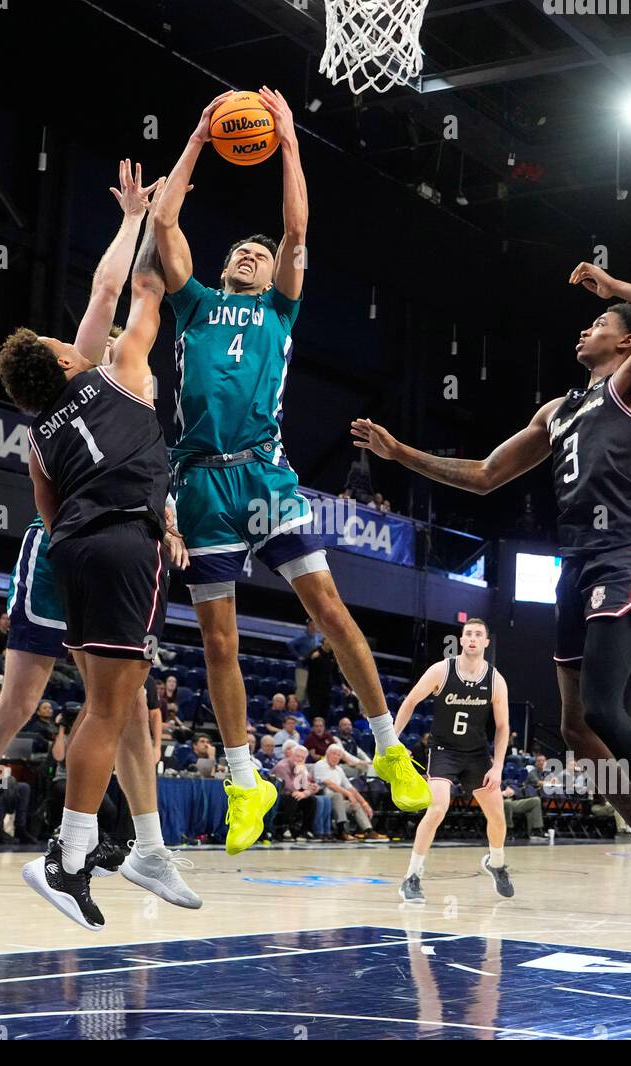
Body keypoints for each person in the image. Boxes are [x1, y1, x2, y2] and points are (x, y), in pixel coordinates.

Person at [353, 260, 631, 944]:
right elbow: (488, 475)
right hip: (576, 563)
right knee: (577, 729)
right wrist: (402, 453)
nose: (588, 326)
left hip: (626, 552)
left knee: (608, 708)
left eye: (600, 321)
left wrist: (620, 290)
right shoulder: (556, 411)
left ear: (625, 341)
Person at [150, 91, 430, 856]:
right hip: (200, 480)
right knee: (217, 640)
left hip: (265, 477)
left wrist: (293, 147)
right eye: (242, 249)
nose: (251, 253)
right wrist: (200, 139)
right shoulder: (195, 303)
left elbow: (298, 227)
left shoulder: (279, 310)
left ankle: (389, 747)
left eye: (262, 252)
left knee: (331, 612)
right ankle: (246, 782)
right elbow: (166, 223)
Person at [0, 164, 199, 925]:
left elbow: (116, 292)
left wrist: (134, 216)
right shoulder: (91, 371)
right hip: (62, 550)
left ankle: (146, 846)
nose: (73, 335)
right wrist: (147, 217)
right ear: (66, 359)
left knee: (126, 699)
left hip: (91, 535)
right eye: (64, 339)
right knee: (20, 702)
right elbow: (118, 293)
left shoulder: (77, 393)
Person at [393, 619, 513, 902]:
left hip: (476, 754)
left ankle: (496, 863)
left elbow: (503, 726)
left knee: (497, 815)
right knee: (437, 808)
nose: (472, 638)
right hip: (444, 750)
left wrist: (497, 766)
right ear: (462, 640)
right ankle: (411, 877)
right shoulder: (441, 670)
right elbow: (410, 701)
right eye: (468, 634)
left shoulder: (495, 680)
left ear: (486, 642)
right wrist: (392, 739)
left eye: (478, 635)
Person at [313, 743, 385, 841]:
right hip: (324, 799)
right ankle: (341, 831)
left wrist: (365, 804)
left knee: (355, 804)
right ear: (327, 754)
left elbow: (350, 788)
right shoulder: (320, 765)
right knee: (338, 796)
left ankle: (368, 830)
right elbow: (330, 785)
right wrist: (348, 794)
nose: (336, 757)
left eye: (338, 755)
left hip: (338, 802)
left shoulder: (339, 769)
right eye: (333, 754)